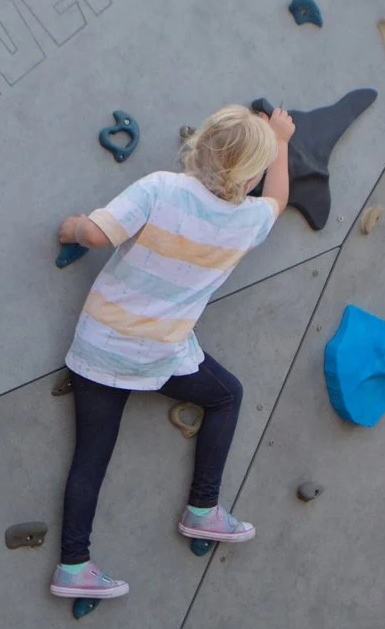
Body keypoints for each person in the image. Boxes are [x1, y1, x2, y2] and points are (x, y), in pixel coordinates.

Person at [48, 103, 295, 600]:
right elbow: (279, 200)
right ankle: (202, 509)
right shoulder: (247, 220)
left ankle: (74, 564)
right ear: (250, 175)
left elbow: (97, 234)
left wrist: (72, 227)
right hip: (159, 356)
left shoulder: (161, 187)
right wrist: (283, 142)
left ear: (199, 147)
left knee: (91, 456)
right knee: (225, 396)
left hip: (100, 345)